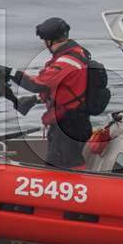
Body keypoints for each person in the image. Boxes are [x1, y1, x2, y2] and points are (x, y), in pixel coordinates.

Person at [15, 17, 95, 169]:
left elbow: (37, 84)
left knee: (64, 164)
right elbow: (67, 88)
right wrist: (37, 100)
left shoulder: (66, 61)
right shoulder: (79, 53)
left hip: (67, 123)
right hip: (76, 119)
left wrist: (11, 73)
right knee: (68, 160)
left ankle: (79, 188)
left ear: (49, 41)